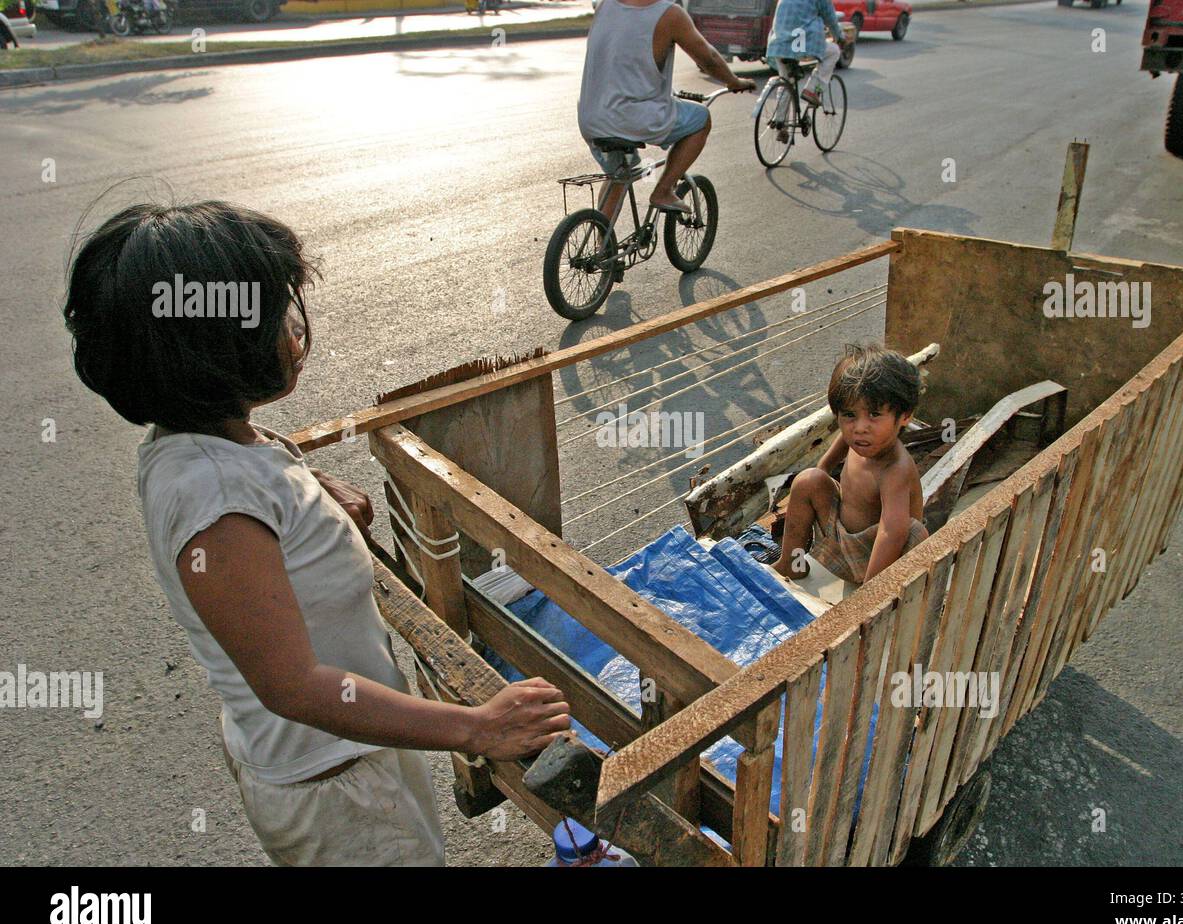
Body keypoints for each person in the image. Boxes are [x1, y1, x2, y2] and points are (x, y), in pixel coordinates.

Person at [63, 201, 571, 866]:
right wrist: (479, 728)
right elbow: (295, 687)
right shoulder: (215, 497)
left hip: (347, 757)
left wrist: (314, 499)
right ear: (218, 350)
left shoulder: (203, 438)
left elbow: (260, 499)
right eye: (274, 315)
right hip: (338, 789)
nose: (292, 331)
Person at [577, 0, 755, 221]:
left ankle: (600, 248)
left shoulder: (605, 4)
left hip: (592, 116)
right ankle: (663, 190)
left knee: (620, 174)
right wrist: (733, 81)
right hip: (631, 117)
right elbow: (708, 58)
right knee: (701, 118)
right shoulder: (670, 14)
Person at [768, 343, 929, 586]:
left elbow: (891, 533)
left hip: (877, 561)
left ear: (905, 416)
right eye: (849, 415)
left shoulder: (895, 468)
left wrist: (868, 592)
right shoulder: (857, 438)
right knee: (808, 479)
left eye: (874, 414)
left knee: (914, 531)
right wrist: (819, 477)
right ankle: (791, 563)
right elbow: (836, 451)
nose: (859, 427)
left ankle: (872, 593)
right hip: (840, 542)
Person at [765, 0, 846, 109]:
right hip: (803, 45)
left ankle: (779, 120)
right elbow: (831, 18)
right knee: (834, 51)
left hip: (778, 45)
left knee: (786, 81)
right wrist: (839, 37)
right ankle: (812, 89)